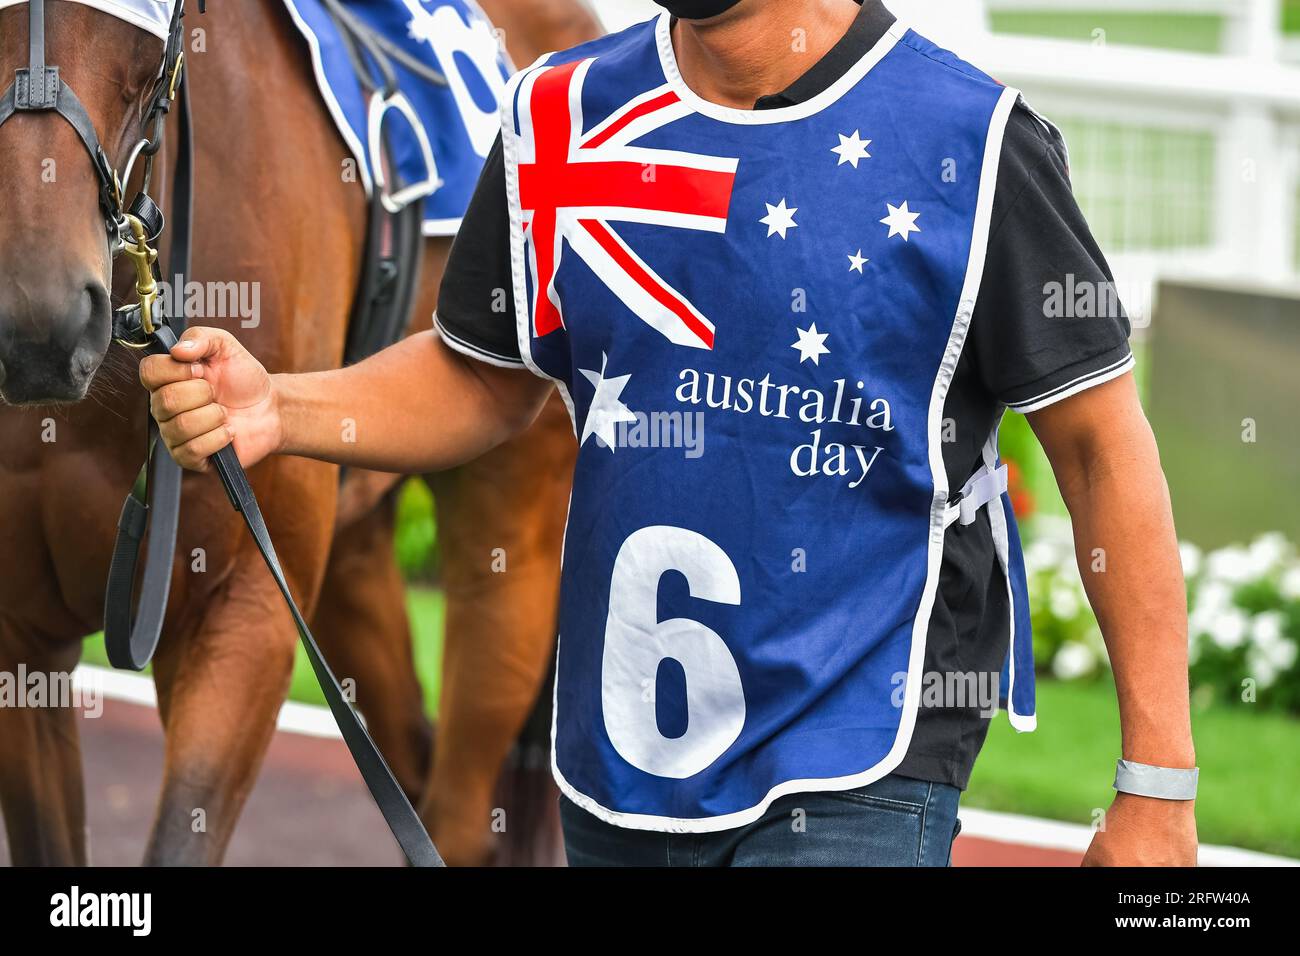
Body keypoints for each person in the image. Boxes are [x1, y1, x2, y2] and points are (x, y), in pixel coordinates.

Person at [140, 0, 1198, 866]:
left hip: (863, 760)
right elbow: (483, 373)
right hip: (622, 762)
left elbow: (1102, 449)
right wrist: (282, 406)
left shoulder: (971, 139)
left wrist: (1157, 786)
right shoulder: (557, 112)